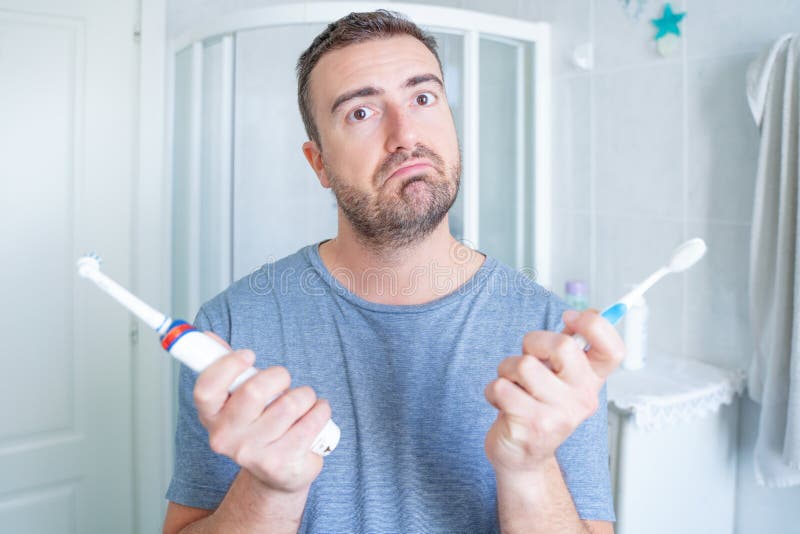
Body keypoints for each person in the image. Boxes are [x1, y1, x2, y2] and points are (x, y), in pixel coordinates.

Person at [163, 10, 623, 534]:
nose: (405, 135)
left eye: (423, 98)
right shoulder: (229, 328)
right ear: (319, 164)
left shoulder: (552, 338)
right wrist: (268, 490)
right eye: (361, 112)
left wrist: (529, 469)